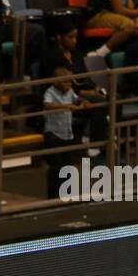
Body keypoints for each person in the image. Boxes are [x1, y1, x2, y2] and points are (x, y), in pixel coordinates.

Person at [42, 68, 87, 199]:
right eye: (66, 82)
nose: (69, 85)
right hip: (53, 134)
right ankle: (53, 196)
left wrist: (84, 102)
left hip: (67, 133)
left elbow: (77, 99)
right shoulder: (50, 92)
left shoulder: (70, 91)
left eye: (70, 82)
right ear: (56, 82)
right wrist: (65, 106)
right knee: (55, 167)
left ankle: (67, 192)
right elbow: (47, 104)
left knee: (68, 165)